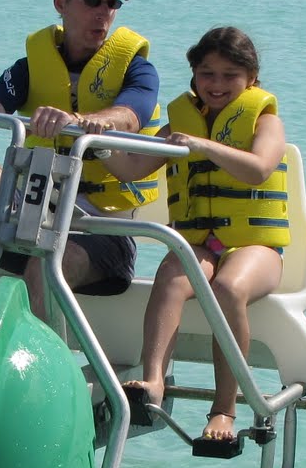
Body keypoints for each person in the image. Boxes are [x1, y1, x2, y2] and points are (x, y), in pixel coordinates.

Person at [0, 0, 163, 315]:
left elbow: (130, 116)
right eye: (93, 0)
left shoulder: (137, 70)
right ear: (60, 3)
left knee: (44, 262)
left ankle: (33, 365)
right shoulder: (29, 67)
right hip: (33, 216)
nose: (104, 12)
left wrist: (81, 120)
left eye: (113, 3)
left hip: (101, 235)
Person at [123, 27, 290, 444]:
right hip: (201, 241)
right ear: (194, 75)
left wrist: (204, 147)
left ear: (251, 77)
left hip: (257, 247)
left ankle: (225, 408)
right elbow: (130, 168)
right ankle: (152, 384)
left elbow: (259, 169)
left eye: (229, 75)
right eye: (206, 73)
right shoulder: (182, 122)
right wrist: (90, 141)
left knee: (229, 289)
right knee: (171, 274)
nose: (216, 85)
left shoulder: (266, 120)